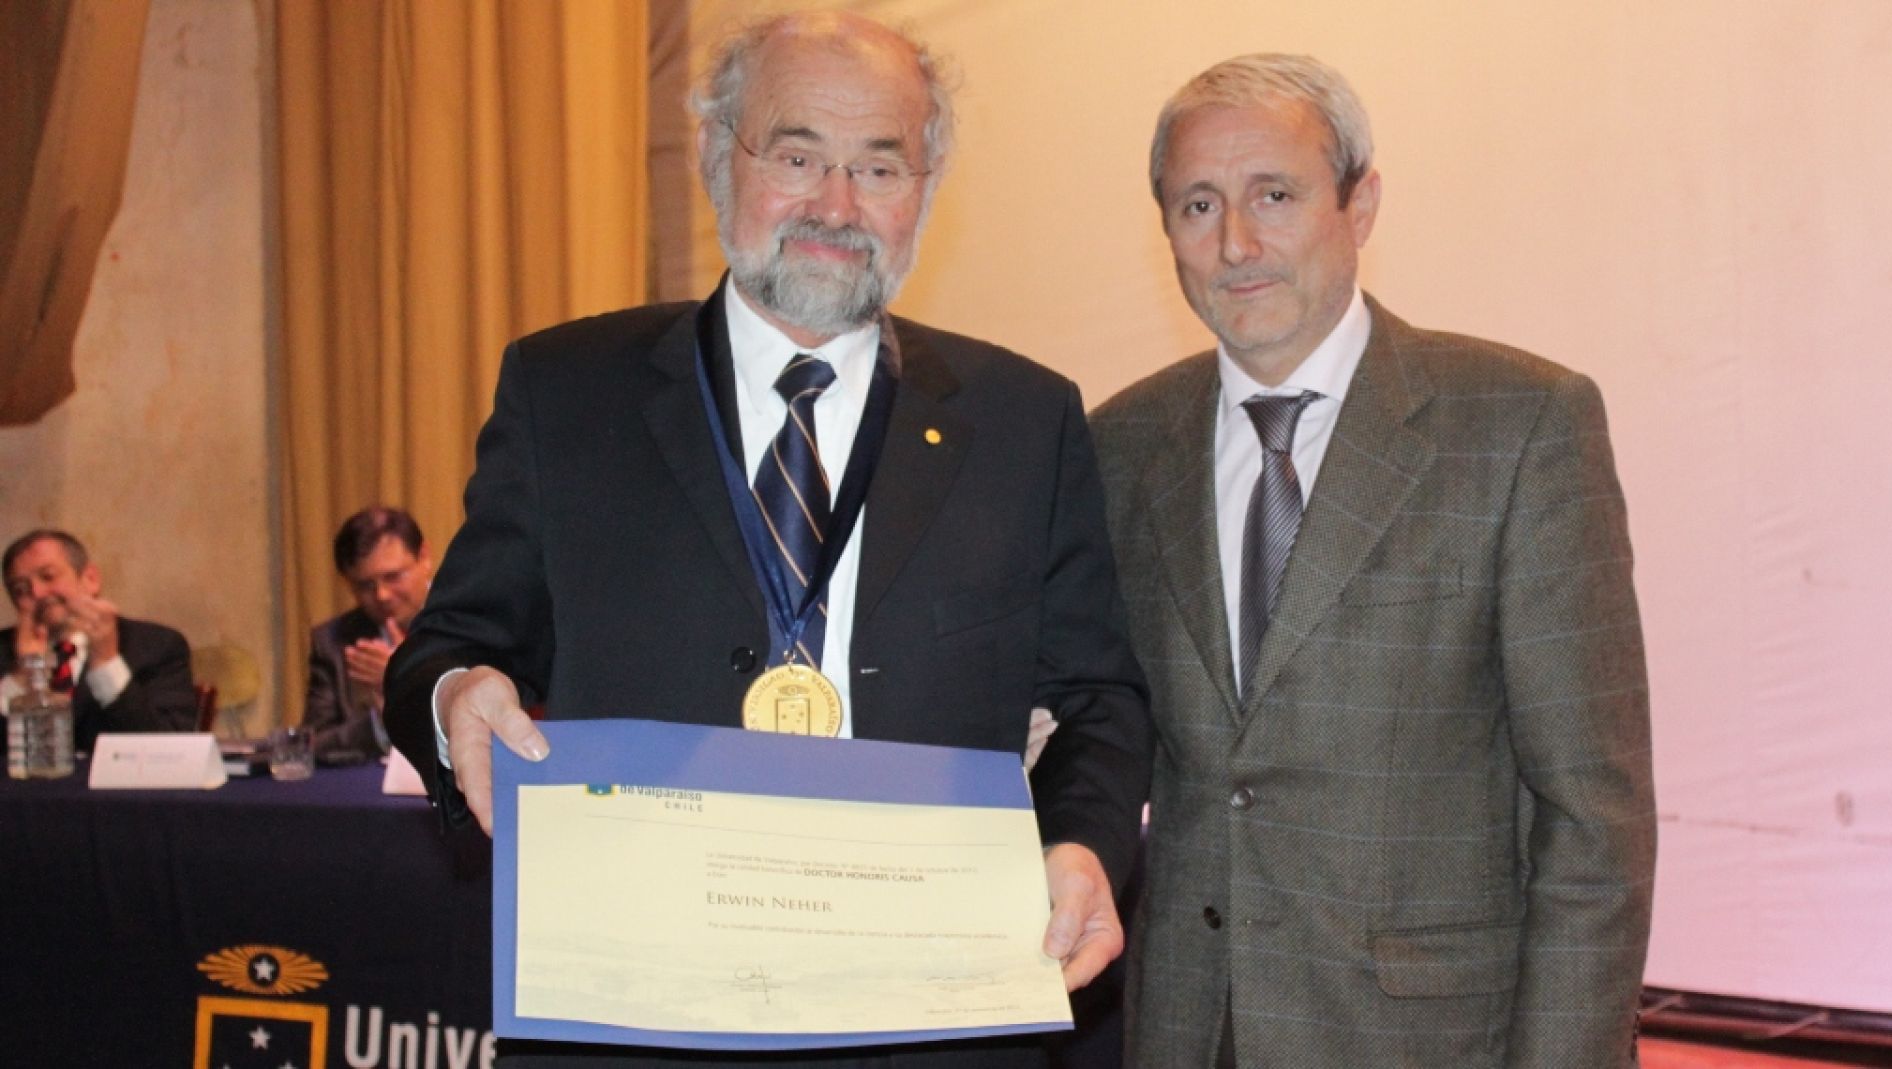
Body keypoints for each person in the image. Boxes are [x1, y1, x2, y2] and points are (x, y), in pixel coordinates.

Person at [383, 12, 1150, 1068]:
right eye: (797, 156)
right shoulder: (567, 391)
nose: (836, 207)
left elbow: (1099, 699)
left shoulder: (1025, 419)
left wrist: (1080, 844)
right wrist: (453, 691)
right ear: (716, 160)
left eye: (880, 168)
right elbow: (449, 642)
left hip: (929, 1020)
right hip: (638, 1017)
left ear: (925, 189)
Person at [1092, 55, 1655, 1068]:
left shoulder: (1520, 425)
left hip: (1428, 1039)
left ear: (1362, 204)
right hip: (1185, 1032)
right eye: (1197, 204)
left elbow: (1594, 820)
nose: (1236, 243)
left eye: (1275, 194)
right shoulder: (1118, 444)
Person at [1, 529, 197, 751]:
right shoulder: (5, 653)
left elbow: (168, 749)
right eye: (21, 589)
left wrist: (106, 663)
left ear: (90, 579)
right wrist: (22, 679)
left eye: (48, 577)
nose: (37, 593)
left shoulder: (156, 645)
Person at [303, 506, 433, 758]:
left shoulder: (474, 623)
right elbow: (312, 744)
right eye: (365, 585)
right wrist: (383, 722)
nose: (382, 595)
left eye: (393, 576)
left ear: (424, 557)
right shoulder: (333, 642)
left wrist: (408, 683)